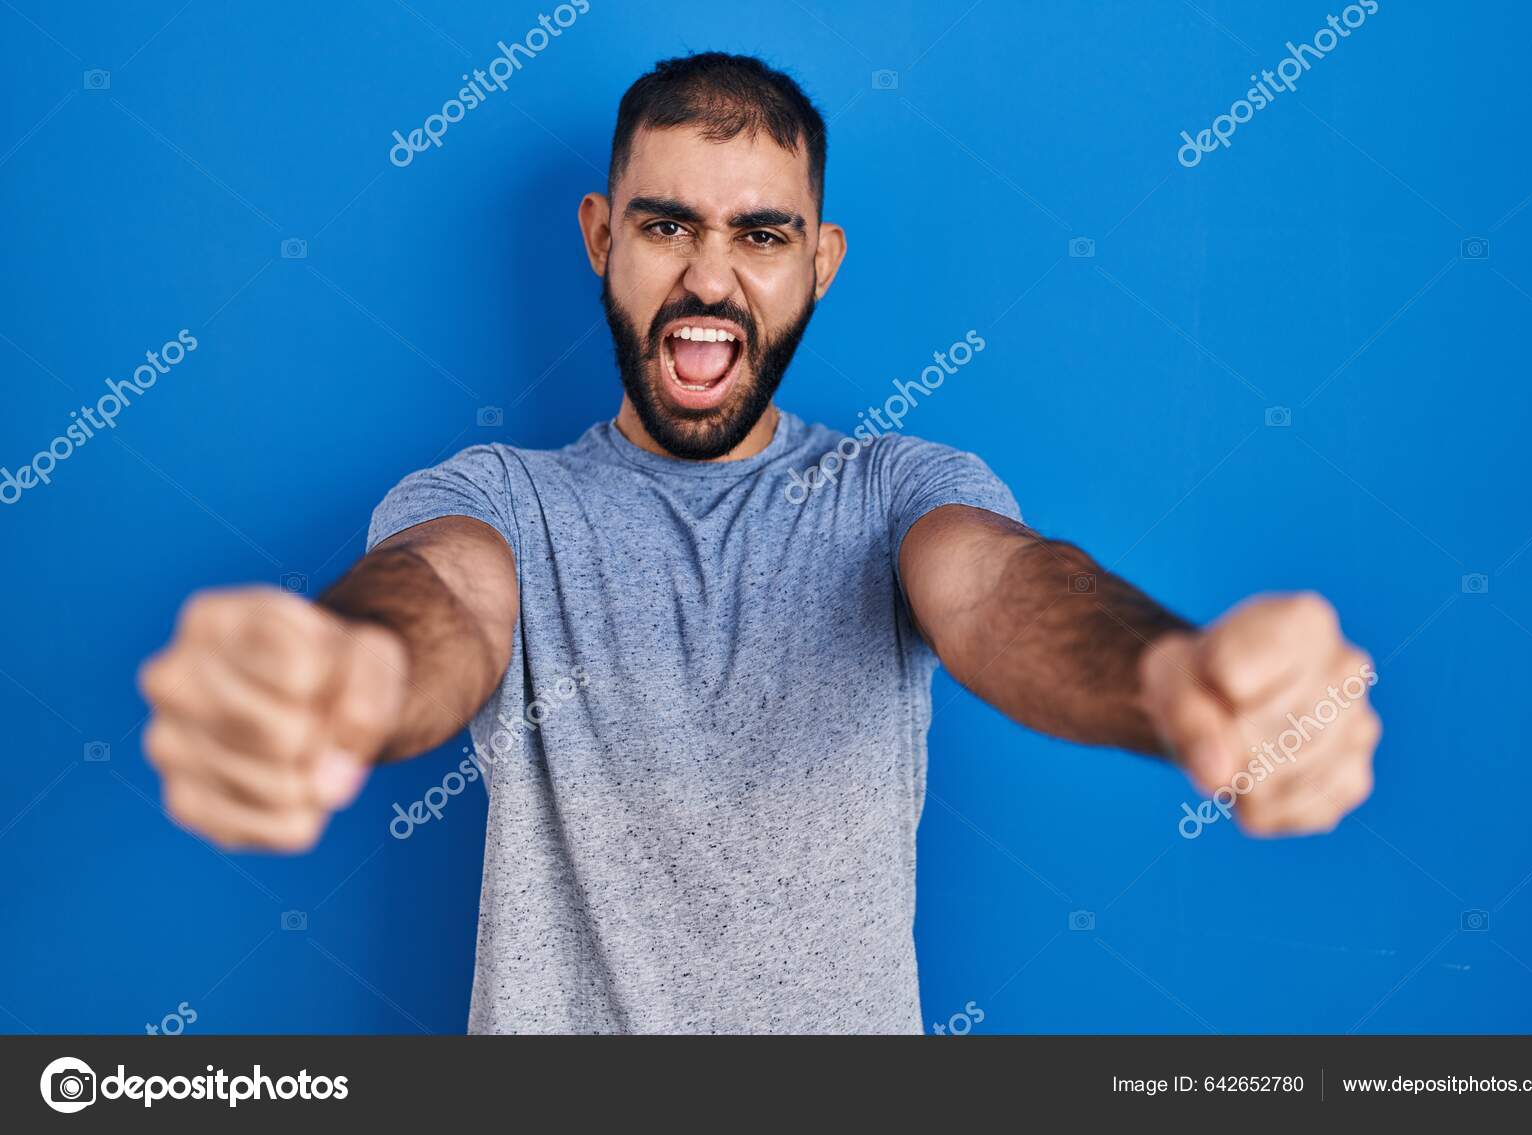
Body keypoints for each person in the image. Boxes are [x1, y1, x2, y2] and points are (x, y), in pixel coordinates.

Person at [137, 53, 1381, 1034]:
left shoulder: (899, 489)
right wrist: (348, 677)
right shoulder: (499, 498)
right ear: (600, 238)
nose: (709, 279)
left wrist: (1168, 679)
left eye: (762, 234)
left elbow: (1003, 591)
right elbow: (443, 602)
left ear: (821, 262)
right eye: (667, 225)